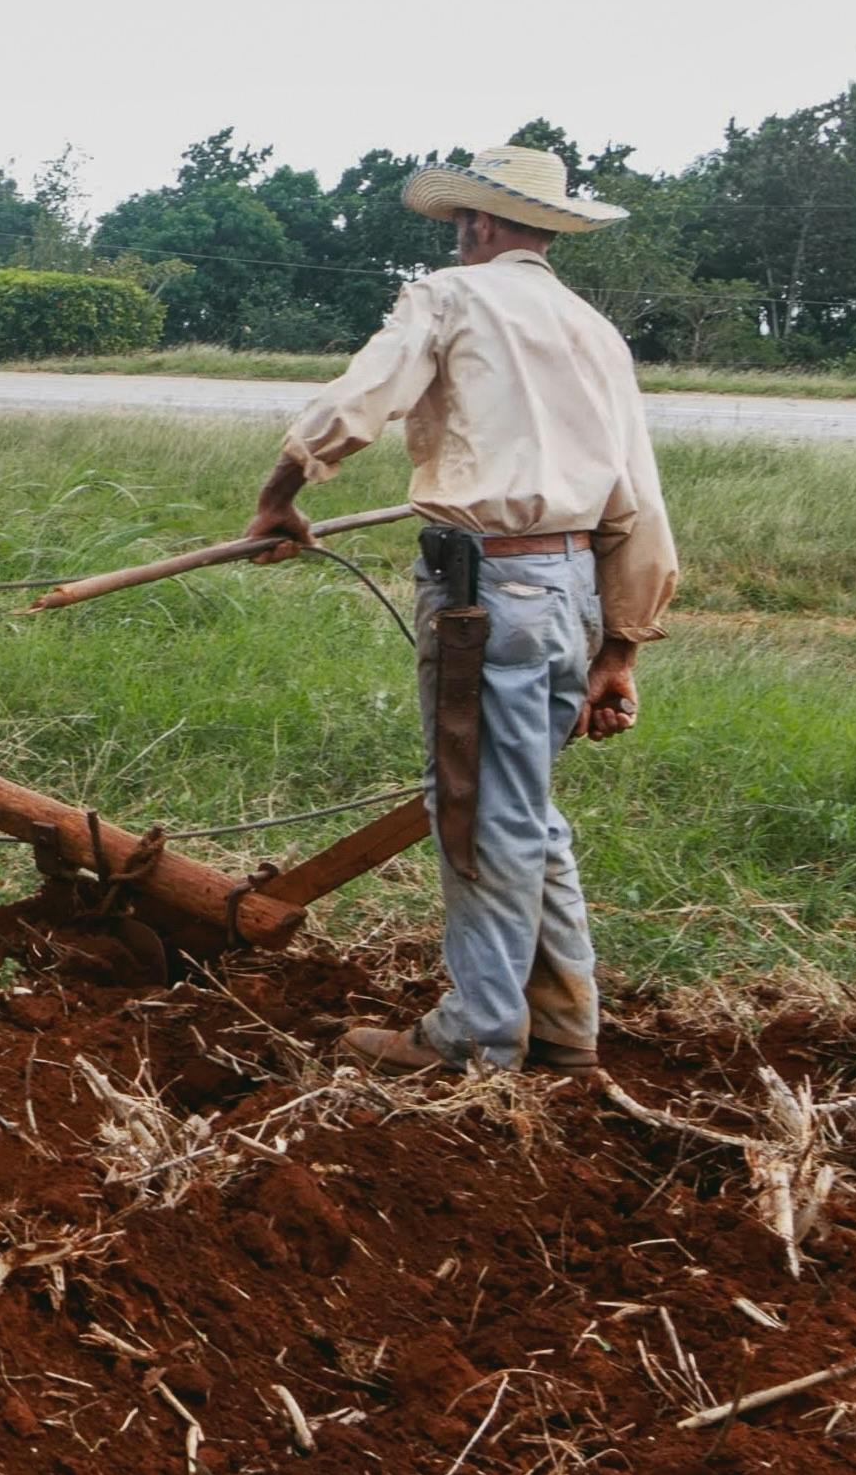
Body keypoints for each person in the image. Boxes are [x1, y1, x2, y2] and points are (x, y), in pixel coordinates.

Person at [242, 142, 676, 1075]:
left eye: (458, 224)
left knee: (479, 809)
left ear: (476, 223)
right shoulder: (594, 332)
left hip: (484, 595)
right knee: (526, 813)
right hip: (565, 591)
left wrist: (281, 495)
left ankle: (478, 1035)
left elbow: (358, 404)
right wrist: (620, 649)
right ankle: (561, 1024)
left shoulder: (449, 295)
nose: (457, 236)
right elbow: (638, 497)